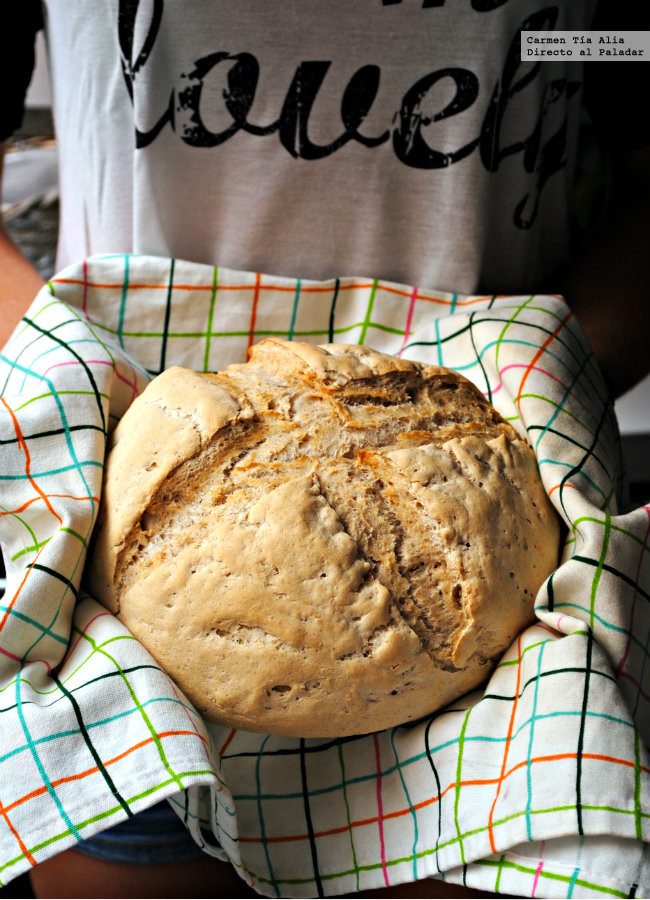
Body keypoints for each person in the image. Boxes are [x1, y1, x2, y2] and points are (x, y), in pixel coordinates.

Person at [1, 2, 649, 898]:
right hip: (103, 582)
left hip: (502, 582)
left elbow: (625, 70)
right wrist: (48, 379)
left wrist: (552, 366)